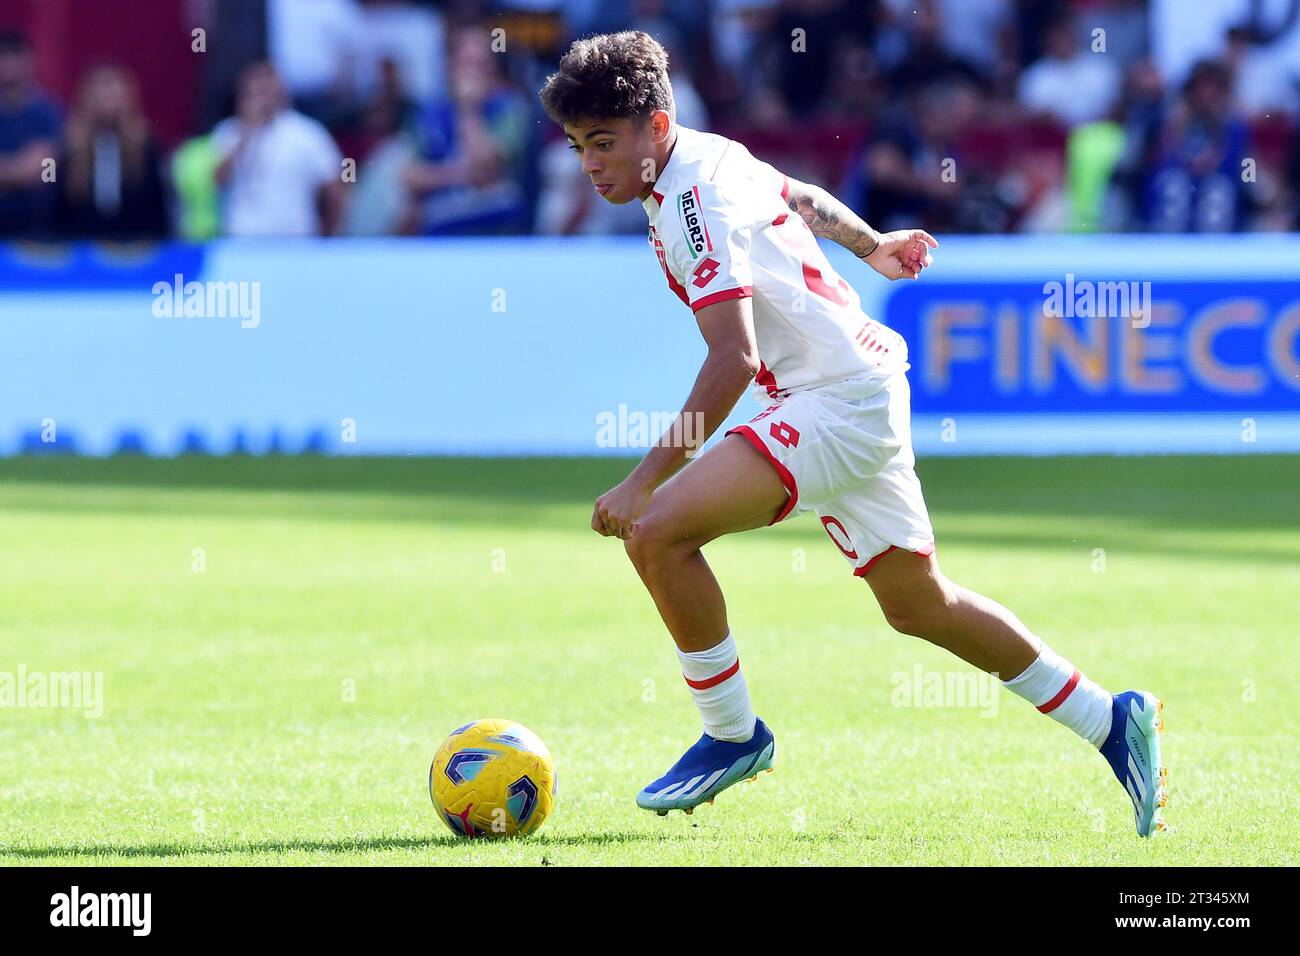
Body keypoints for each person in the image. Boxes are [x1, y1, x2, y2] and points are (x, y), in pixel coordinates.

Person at [537, 31, 1168, 836]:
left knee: (656, 535)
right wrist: (873, 244)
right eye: (577, 144)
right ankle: (1111, 720)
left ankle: (732, 735)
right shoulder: (711, 155)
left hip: (829, 400)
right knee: (921, 605)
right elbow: (797, 196)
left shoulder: (693, 198)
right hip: (860, 386)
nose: (590, 163)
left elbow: (733, 360)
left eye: (605, 142)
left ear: (657, 127)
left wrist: (642, 480)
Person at [212, 62, 345, 236]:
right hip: (240, 244)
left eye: (266, 92)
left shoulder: (307, 132)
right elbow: (217, 181)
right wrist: (247, 131)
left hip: (295, 244)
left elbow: (335, 187)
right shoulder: (228, 131)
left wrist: (331, 236)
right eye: (255, 94)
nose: (262, 100)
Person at [54, 64, 168, 239]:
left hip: (135, 244)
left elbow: (156, 203)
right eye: (101, 97)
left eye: (114, 97)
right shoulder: (71, 145)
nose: (108, 104)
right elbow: (59, 206)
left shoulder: (144, 142)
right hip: (81, 244)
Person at [0, 31, 60, 237]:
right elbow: (25, 170)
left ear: (32, 60)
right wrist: (19, 167)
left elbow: (43, 173)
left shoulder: (49, 115)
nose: (8, 62)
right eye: (2, 55)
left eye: (15, 54)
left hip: (36, 229)